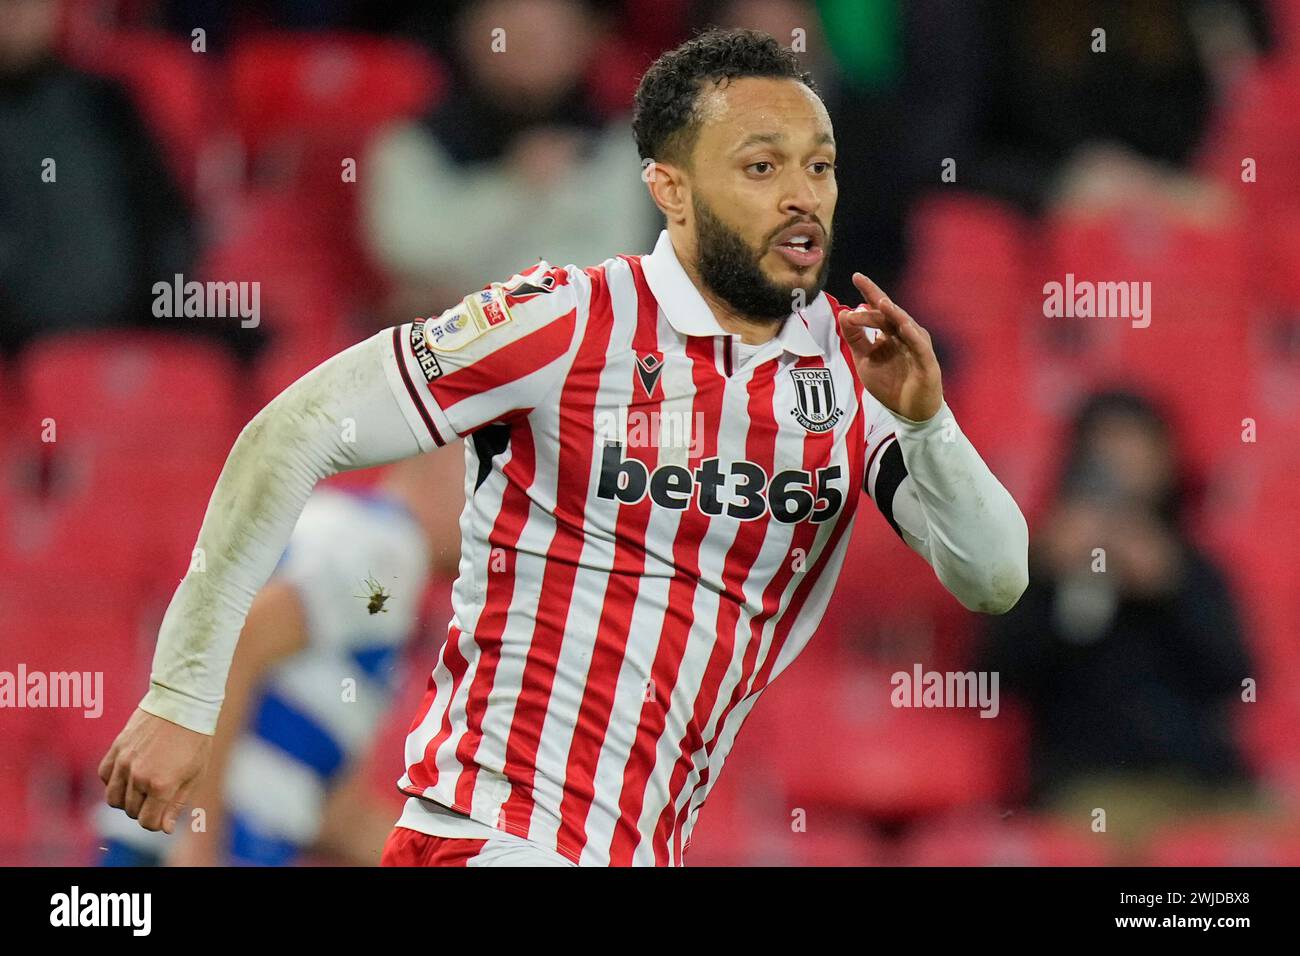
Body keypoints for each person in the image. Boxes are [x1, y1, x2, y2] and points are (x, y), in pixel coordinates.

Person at [99, 28, 1029, 867]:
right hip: (495, 838)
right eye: (760, 166)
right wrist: (182, 696)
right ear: (670, 188)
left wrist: (927, 421)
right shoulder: (565, 319)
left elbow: (996, 576)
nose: (802, 196)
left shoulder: (849, 381)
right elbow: (291, 430)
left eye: (819, 167)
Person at [97, 449, 464, 866]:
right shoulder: (387, 553)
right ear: (449, 458)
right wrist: (200, 843)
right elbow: (237, 645)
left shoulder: (352, 528)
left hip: (183, 832)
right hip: (203, 843)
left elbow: (331, 812)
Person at [979, 390, 1255, 846]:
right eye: (1109, 448)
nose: (1123, 468)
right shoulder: (1041, 559)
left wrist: (1173, 588)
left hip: (1207, 787)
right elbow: (996, 674)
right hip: (1090, 789)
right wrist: (1044, 577)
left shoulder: (1193, 568)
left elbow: (1236, 677)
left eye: (1139, 448)